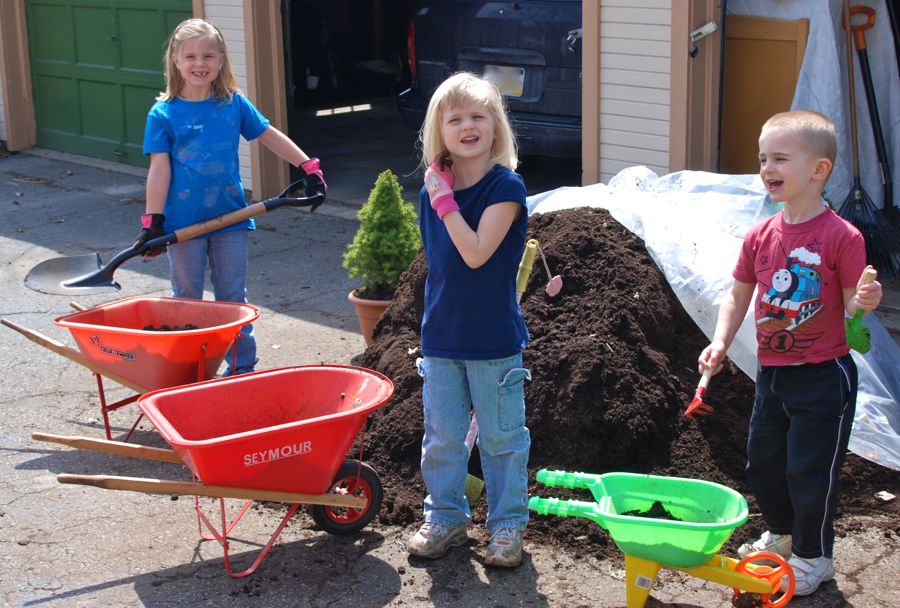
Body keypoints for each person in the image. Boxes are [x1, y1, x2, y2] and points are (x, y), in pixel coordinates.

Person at [697, 109, 883, 597]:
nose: (767, 168)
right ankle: (781, 532)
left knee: (810, 469)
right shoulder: (761, 235)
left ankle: (814, 555)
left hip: (823, 375)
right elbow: (738, 294)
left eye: (780, 158)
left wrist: (864, 302)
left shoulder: (843, 237)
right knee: (763, 459)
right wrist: (719, 340)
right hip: (773, 375)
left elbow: (850, 306)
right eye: (763, 158)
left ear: (818, 170)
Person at [137, 18, 326, 376]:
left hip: (231, 220)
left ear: (221, 60)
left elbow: (268, 134)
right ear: (175, 61)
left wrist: (307, 166)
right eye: (190, 56)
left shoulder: (232, 105)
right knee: (187, 300)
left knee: (232, 297)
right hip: (182, 226)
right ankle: (190, 370)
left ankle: (242, 367)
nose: (199, 64)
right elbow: (159, 170)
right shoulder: (163, 114)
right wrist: (153, 221)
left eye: (208, 55)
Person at [405, 72, 531, 568]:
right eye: (454, 118)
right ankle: (446, 515)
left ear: (495, 128)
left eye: (478, 116)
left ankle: (506, 526)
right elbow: (439, 264)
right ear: (439, 130)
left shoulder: (506, 186)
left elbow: (476, 253)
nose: (467, 126)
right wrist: (439, 195)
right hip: (441, 336)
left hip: (493, 339)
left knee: (501, 439)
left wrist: (445, 202)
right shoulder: (433, 191)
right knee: (441, 438)